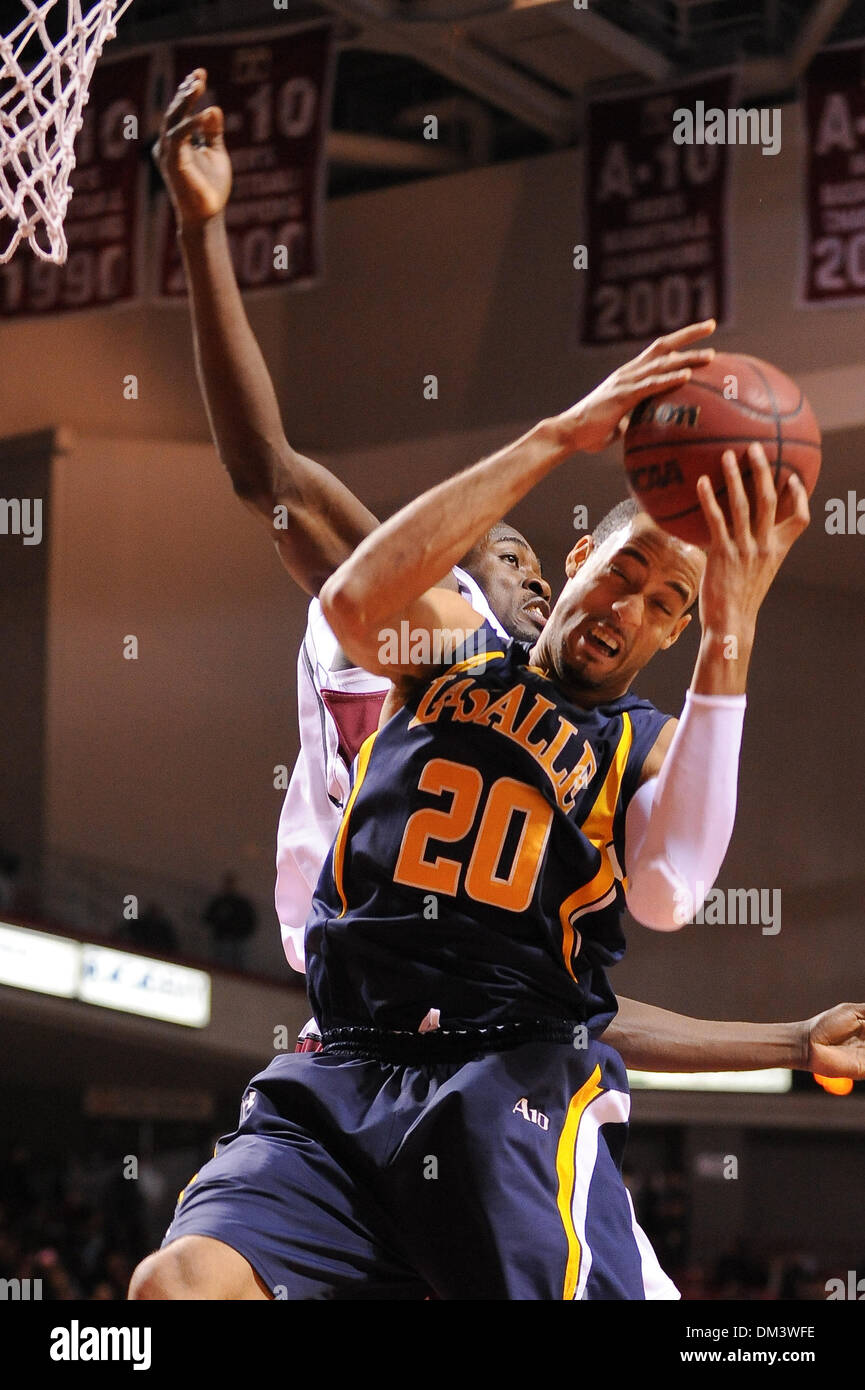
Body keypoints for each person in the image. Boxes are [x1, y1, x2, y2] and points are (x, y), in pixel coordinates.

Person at [150, 71, 865, 1089]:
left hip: (460, 1040)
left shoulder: (612, 746)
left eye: (666, 599)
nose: (521, 581)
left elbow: (576, 1009)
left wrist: (789, 1046)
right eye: (504, 560)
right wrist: (200, 231)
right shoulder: (432, 635)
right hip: (348, 985)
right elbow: (267, 472)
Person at [126, 314, 845, 1301]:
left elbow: (665, 898)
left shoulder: (639, 745)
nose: (621, 607)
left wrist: (735, 624)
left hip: (500, 1095)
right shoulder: (442, 656)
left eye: (664, 603)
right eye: (620, 572)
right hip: (344, 1065)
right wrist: (561, 433)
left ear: (679, 628)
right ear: (582, 554)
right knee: (173, 1288)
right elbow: (331, 568)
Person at [203, 872, 258, 971]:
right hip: (222, 939)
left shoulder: (241, 904)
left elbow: (250, 921)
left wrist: (241, 933)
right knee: (221, 963)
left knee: (236, 964)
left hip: (237, 941)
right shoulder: (220, 902)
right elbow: (208, 917)